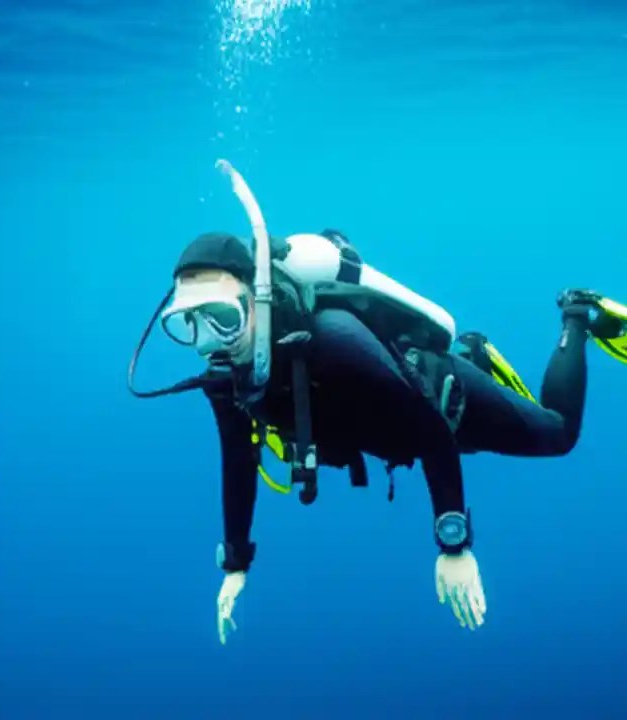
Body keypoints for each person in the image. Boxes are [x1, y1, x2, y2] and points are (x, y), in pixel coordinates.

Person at [127, 164, 626, 645]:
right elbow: (238, 458)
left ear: (255, 299)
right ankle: (476, 350)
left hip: (441, 402)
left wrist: (453, 543)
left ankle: (576, 314)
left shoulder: (331, 339)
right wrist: (235, 564)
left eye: (221, 318)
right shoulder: (227, 378)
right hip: (391, 422)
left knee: (558, 435)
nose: (209, 342)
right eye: (187, 324)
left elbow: (430, 426)